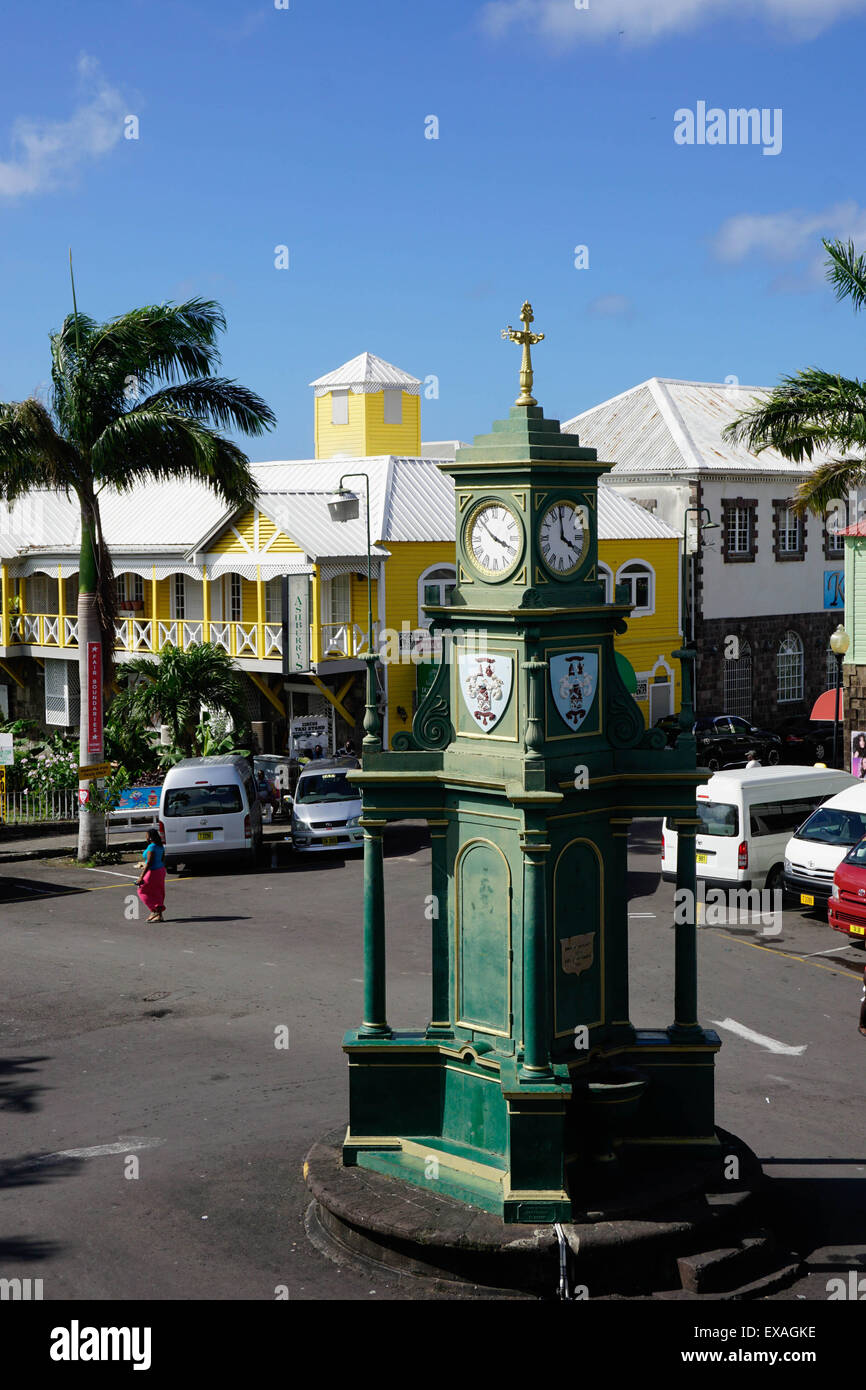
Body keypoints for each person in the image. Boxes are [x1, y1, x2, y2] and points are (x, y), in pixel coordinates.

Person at [136, 828, 166, 923]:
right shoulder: (160, 846)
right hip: (161, 870)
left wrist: (141, 876)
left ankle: (154, 911)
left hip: (153, 871)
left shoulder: (151, 847)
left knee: (142, 890)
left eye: (146, 835)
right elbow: (161, 859)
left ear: (150, 837)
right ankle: (159, 915)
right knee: (157, 891)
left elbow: (149, 863)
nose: (146, 837)